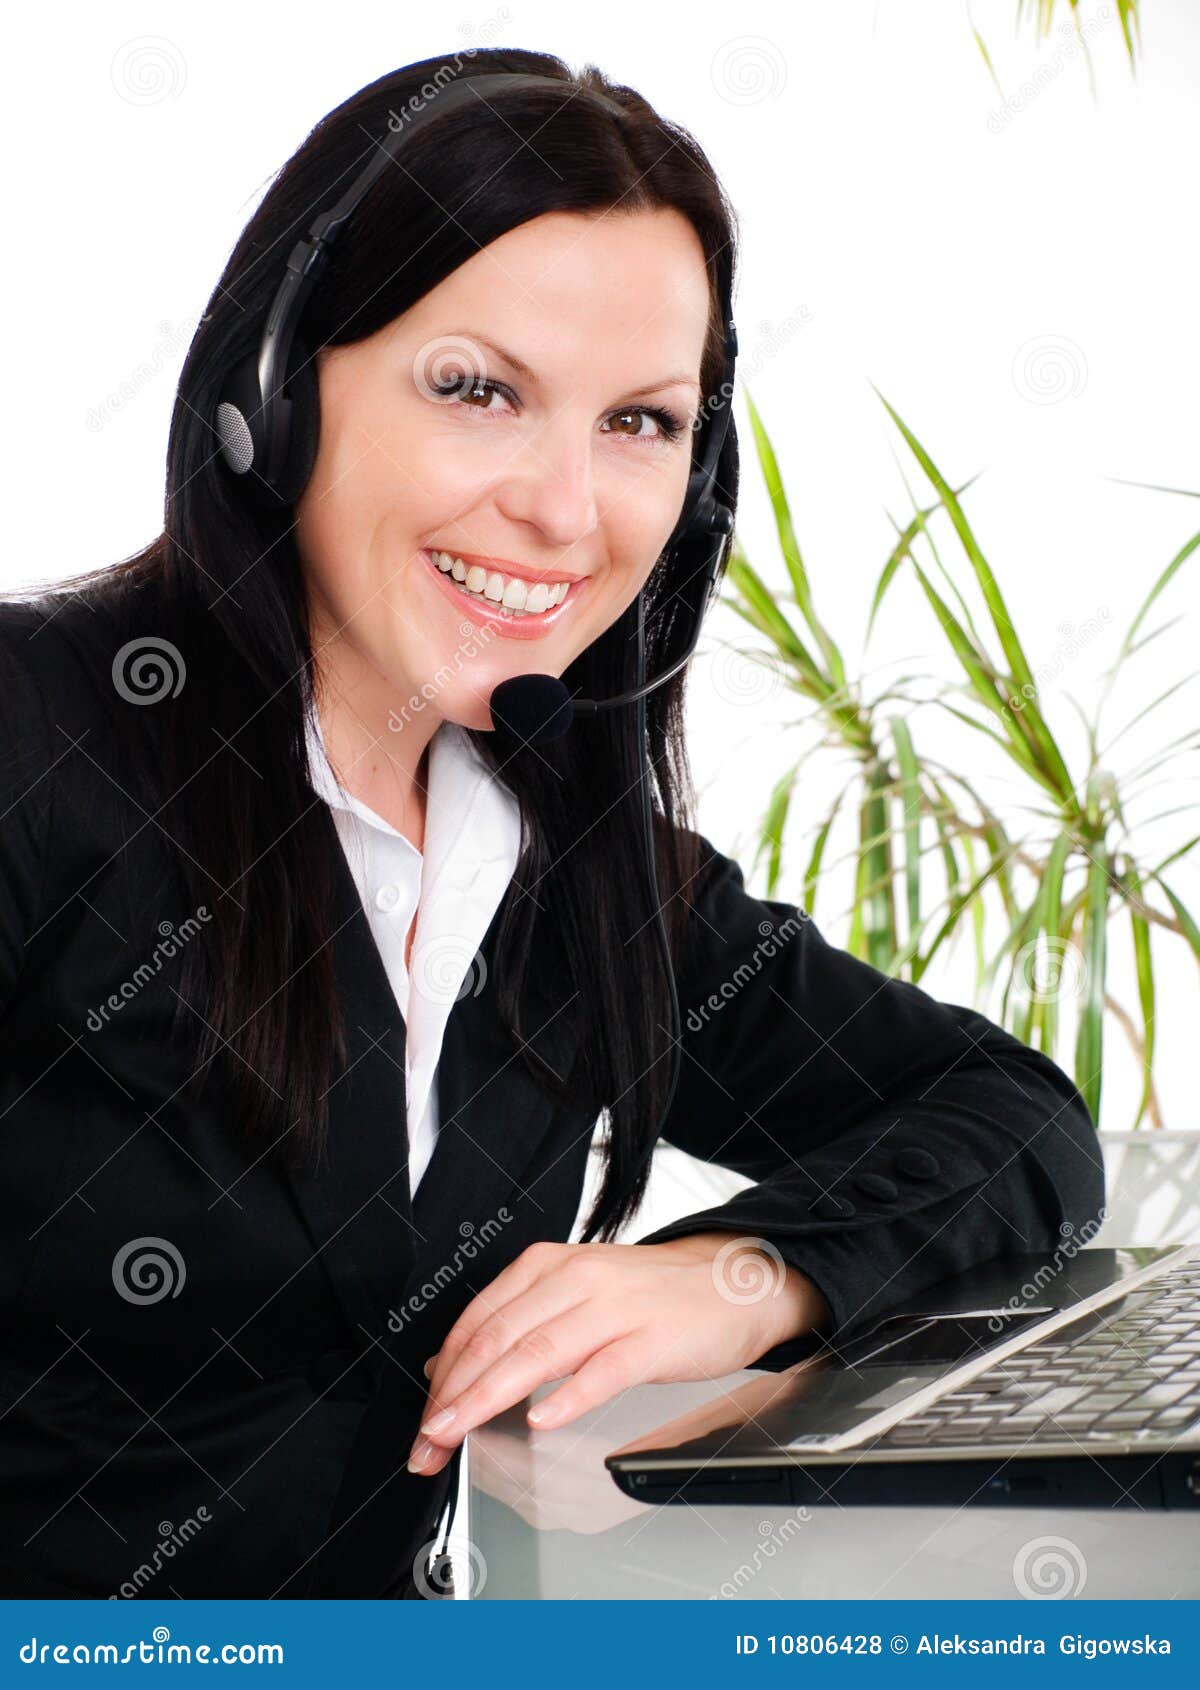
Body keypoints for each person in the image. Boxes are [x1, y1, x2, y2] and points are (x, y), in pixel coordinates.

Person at [0, 48, 1104, 1599]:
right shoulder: (37, 737)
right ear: (278, 390)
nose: (568, 512)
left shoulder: (560, 854)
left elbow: (1012, 1115)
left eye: (641, 424)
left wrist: (737, 1276)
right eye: (478, 390)